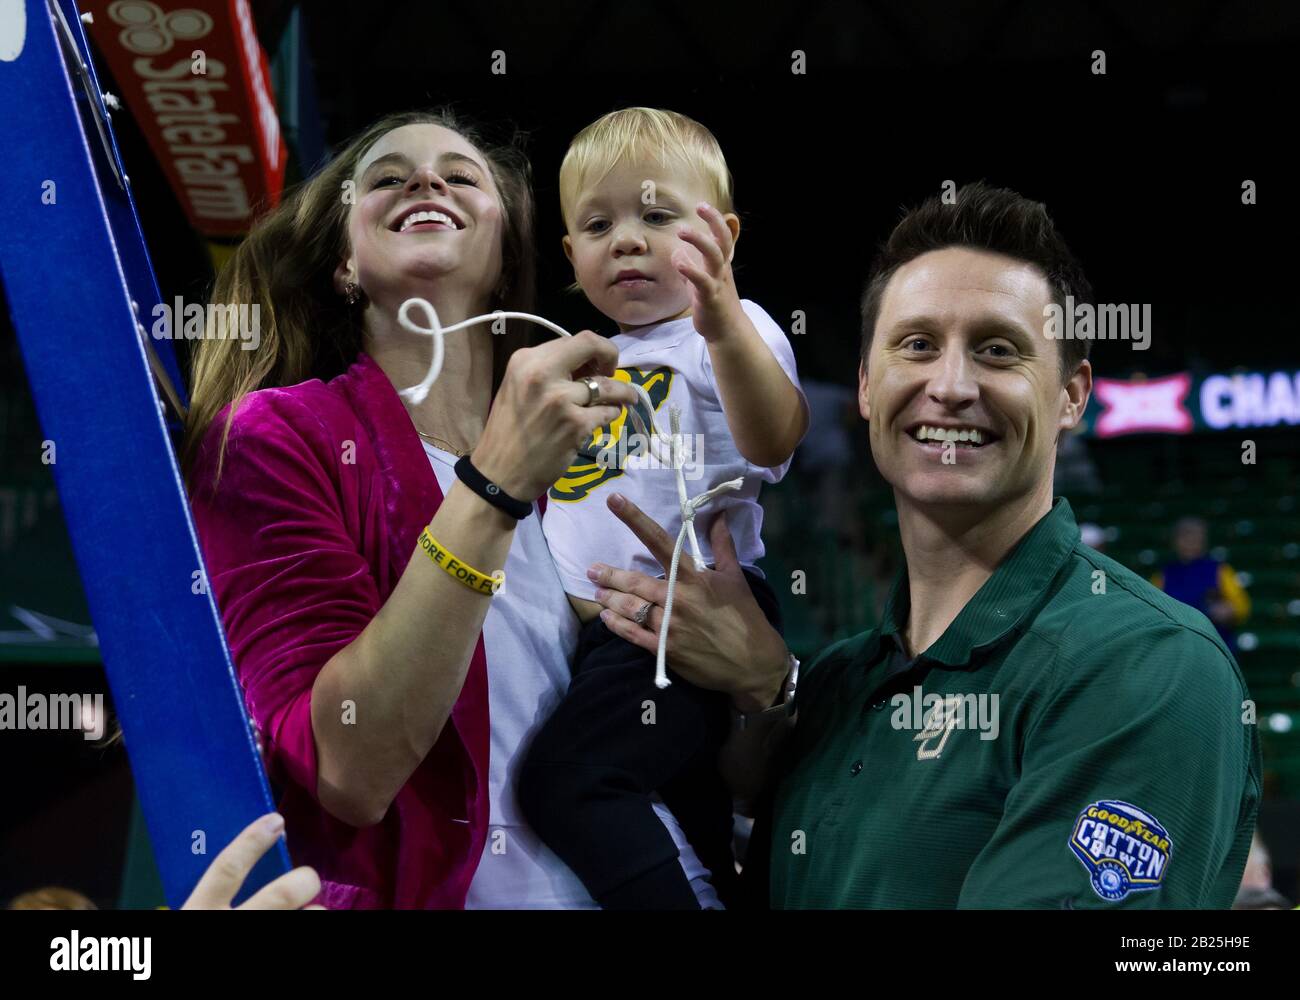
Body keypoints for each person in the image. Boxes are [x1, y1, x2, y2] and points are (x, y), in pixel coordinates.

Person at [587, 182, 1261, 907]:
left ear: (1071, 395)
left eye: (998, 351)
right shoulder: (833, 688)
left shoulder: (1147, 665)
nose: (951, 386)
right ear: (868, 389)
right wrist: (773, 694)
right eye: (917, 346)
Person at [183, 109, 718, 909]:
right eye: (389, 177)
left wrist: (764, 687)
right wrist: (494, 484)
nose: (427, 181)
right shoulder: (278, 436)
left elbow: (702, 756)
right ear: (344, 265)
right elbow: (348, 768)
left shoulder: (603, 452)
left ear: (507, 261)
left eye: (460, 175)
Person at [518, 108, 807, 909]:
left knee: (572, 783)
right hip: (602, 638)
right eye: (599, 223)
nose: (629, 239)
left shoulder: (729, 329)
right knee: (682, 812)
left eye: (658, 215)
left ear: (724, 237)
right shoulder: (589, 360)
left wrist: (722, 321)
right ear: (572, 255)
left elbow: (775, 438)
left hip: (687, 622)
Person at [1152, 516, 1251, 651]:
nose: (1190, 541)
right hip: (1177, 646)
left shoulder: (1220, 570)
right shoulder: (1163, 574)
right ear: (1174, 541)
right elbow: (1152, 609)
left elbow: (1242, 606)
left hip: (1214, 645)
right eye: (1185, 535)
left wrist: (1229, 610)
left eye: (1196, 536)